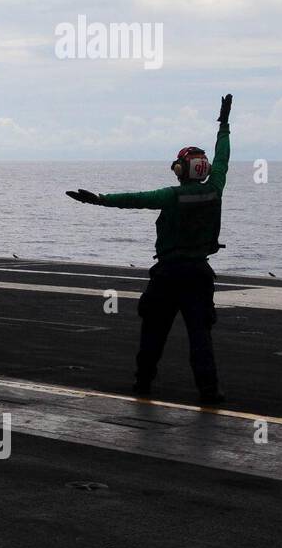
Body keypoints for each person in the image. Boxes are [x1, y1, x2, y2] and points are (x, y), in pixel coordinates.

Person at [66, 95, 232, 406]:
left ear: (183, 169)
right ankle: (209, 391)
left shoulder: (171, 196)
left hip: (168, 274)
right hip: (199, 273)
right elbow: (223, 157)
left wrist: (99, 199)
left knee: (154, 331)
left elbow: (134, 198)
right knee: (200, 336)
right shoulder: (215, 188)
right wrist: (223, 125)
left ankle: (143, 382)